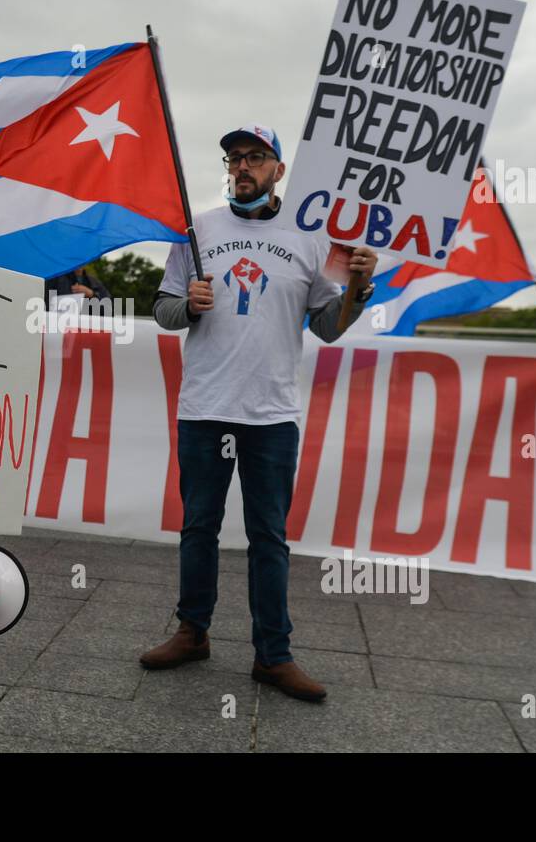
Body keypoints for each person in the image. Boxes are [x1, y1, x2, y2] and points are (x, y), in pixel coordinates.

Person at [139, 124, 378, 701]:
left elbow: (327, 327)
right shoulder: (194, 231)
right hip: (205, 406)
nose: (241, 167)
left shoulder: (313, 236)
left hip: (270, 412)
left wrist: (359, 291)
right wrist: (186, 305)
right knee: (199, 526)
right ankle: (193, 631)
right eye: (233, 158)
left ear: (279, 169)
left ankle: (274, 654)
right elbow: (162, 312)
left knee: (268, 535)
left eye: (255, 157)